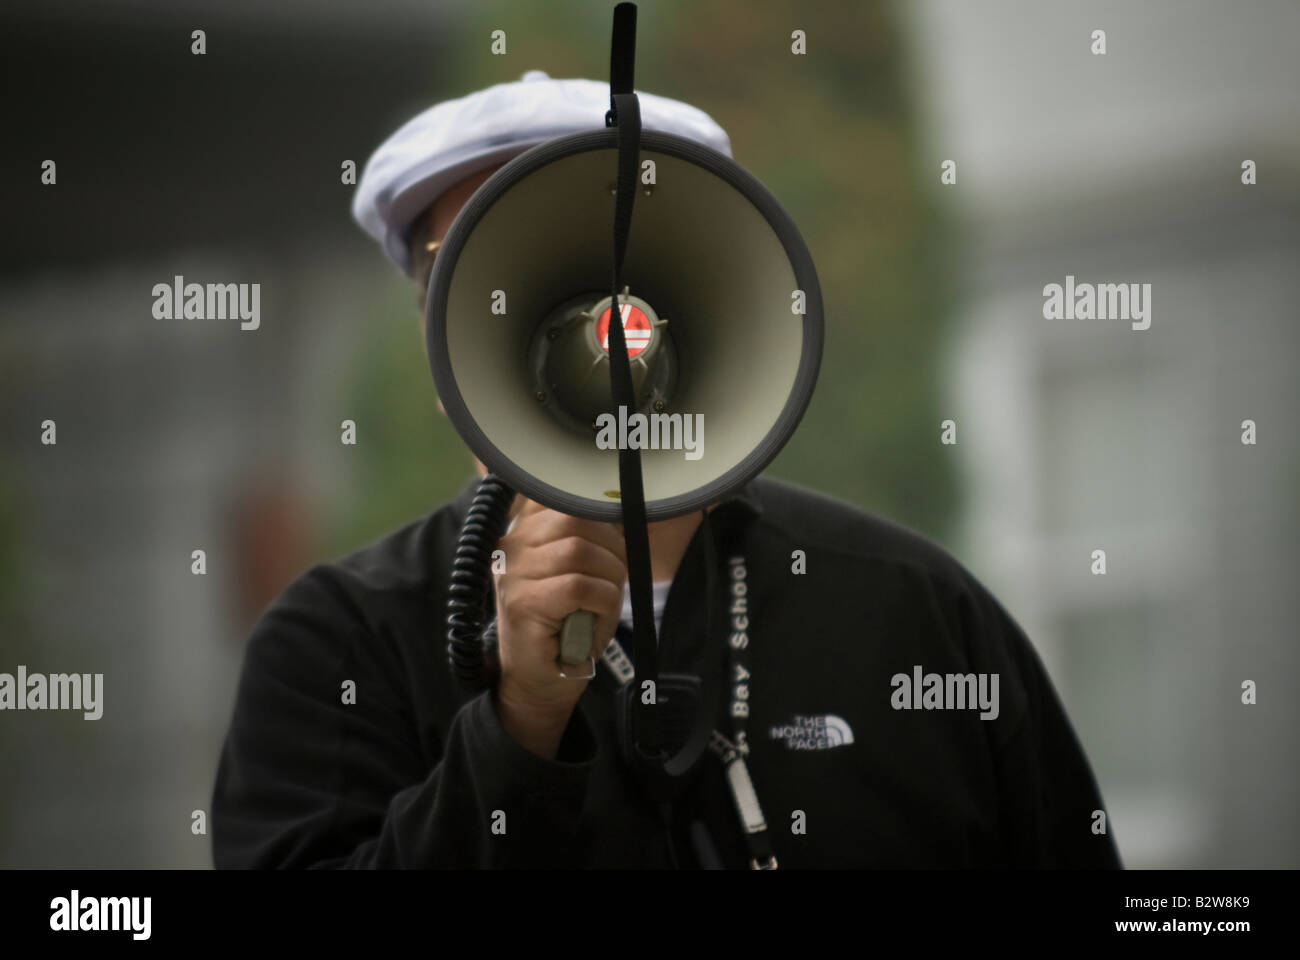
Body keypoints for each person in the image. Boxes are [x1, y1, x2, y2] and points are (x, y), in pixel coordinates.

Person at [211, 71, 1122, 869]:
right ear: (432, 338)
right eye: (485, 275)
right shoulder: (339, 646)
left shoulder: (917, 617)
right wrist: (520, 725)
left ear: (697, 284)